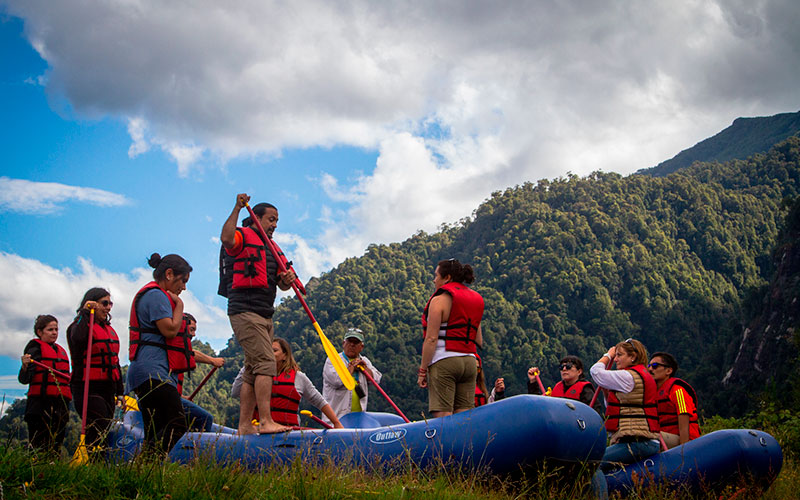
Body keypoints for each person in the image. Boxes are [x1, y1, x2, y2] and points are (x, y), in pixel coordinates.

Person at [220, 193, 297, 435]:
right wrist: (236, 207)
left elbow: (281, 285)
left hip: (265, 314)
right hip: (245, 311)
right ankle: (265, 421)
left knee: (252, 369)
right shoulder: (243, 237)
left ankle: (244, 426)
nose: (274, 225)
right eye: (271, 220)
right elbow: (226, 237)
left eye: (277, 221)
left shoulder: (272, 249)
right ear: (256, 218)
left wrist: (287, 280)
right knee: (265, 363)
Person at [127, 253, 194, 452]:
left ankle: (145, 472)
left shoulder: (156, 294)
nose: (184, 287)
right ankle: (150, 462)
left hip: (146, 371)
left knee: (155, 429)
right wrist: (180, 306)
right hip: (152, 371)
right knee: (177, 422)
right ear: (169, 274)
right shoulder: (156, 295)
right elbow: (170, 329)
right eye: (183, 281)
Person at [418, 259, 484, 417]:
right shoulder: (475, 299)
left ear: (446, 277)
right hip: (469, 362)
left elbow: (431, 339)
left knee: (443, 418)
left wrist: (422, 371)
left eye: (436, 275)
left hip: (444, 360)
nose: (434, 280)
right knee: (464, 419)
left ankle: (444, 443)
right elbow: (479, 340)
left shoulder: (439, 300)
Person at [233, 338, 344, 429]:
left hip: (288, 433)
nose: (269, 354)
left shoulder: (298, 377)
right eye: (267, 351)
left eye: (274, 350)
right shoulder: (255, 375)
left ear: (285, 355)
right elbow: (235, 392)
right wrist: (247, 368)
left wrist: (336, 423)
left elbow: (319, 401)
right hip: (258, 430)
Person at [66, 288, 124, 454]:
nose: (108, 308)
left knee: (105, 427)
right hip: (86, 386)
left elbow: (115, 361)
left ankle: (99, 465)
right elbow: (77, 338)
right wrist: (85, 313)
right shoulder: (78, 326)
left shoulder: (108, 329)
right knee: (98, 424)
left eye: (110, 303)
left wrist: (120, 391)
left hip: (108, 387)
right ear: (92, 303)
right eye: (104, 303)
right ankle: (94, 462)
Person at [590, 339, 660, 470]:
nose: (615, 359)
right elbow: (617, 405)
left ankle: (598, 491)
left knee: (593, 464)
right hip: (642, 441)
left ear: (633, 357)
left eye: (619, 355)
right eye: (615, 355)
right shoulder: (641, 374)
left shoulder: (628, 376)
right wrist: (606, 391)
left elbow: (595, 372)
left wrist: (608, 355)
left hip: (636, 442)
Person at [18, 315, 72, 455]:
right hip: (39, 405)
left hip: (60, 405)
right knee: (39, 446)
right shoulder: (34, 349)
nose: (54, 333)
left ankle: (52, 470)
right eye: (50, 330)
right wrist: (24, 366)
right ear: (40, 332)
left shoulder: (60, 351)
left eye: (56, 329)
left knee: (55, 446)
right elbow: (24, 379)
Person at [322, 328, 382, 423]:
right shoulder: (333, 360)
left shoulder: (364, 361)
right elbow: (336, 381)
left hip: (359, 418)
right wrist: (351, 368)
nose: (352, 345)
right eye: (350, 341)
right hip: (336, 419)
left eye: (356, 342)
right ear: (343, 343)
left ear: (361, 347)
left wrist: (365, 368)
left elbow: (377, 379)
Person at [177, 313, 225, 432]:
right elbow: (189, 352)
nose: (194, 334)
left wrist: (182, 397)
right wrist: (212, 360)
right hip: (166, 399)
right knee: (204, 418)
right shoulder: (175, 344)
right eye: (191, 330)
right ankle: (196, 449)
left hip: (171, 396)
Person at [648, 352, 701, 448]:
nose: (650, 369)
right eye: (649, 366)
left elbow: (684, 421)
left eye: (655, 366)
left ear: (668, 371)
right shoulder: (653, 393)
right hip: (665, 437)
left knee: (648, 437)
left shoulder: (678, 391)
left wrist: (683, 450)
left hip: (685, 440)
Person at [528, 356, 604, 414]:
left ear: (579, 371)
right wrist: (533, 381)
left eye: (568, 366)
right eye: (561, 367)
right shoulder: (558, 387)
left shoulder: (585, 389)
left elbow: (594, 412)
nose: (564, 369)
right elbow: (537, 404)